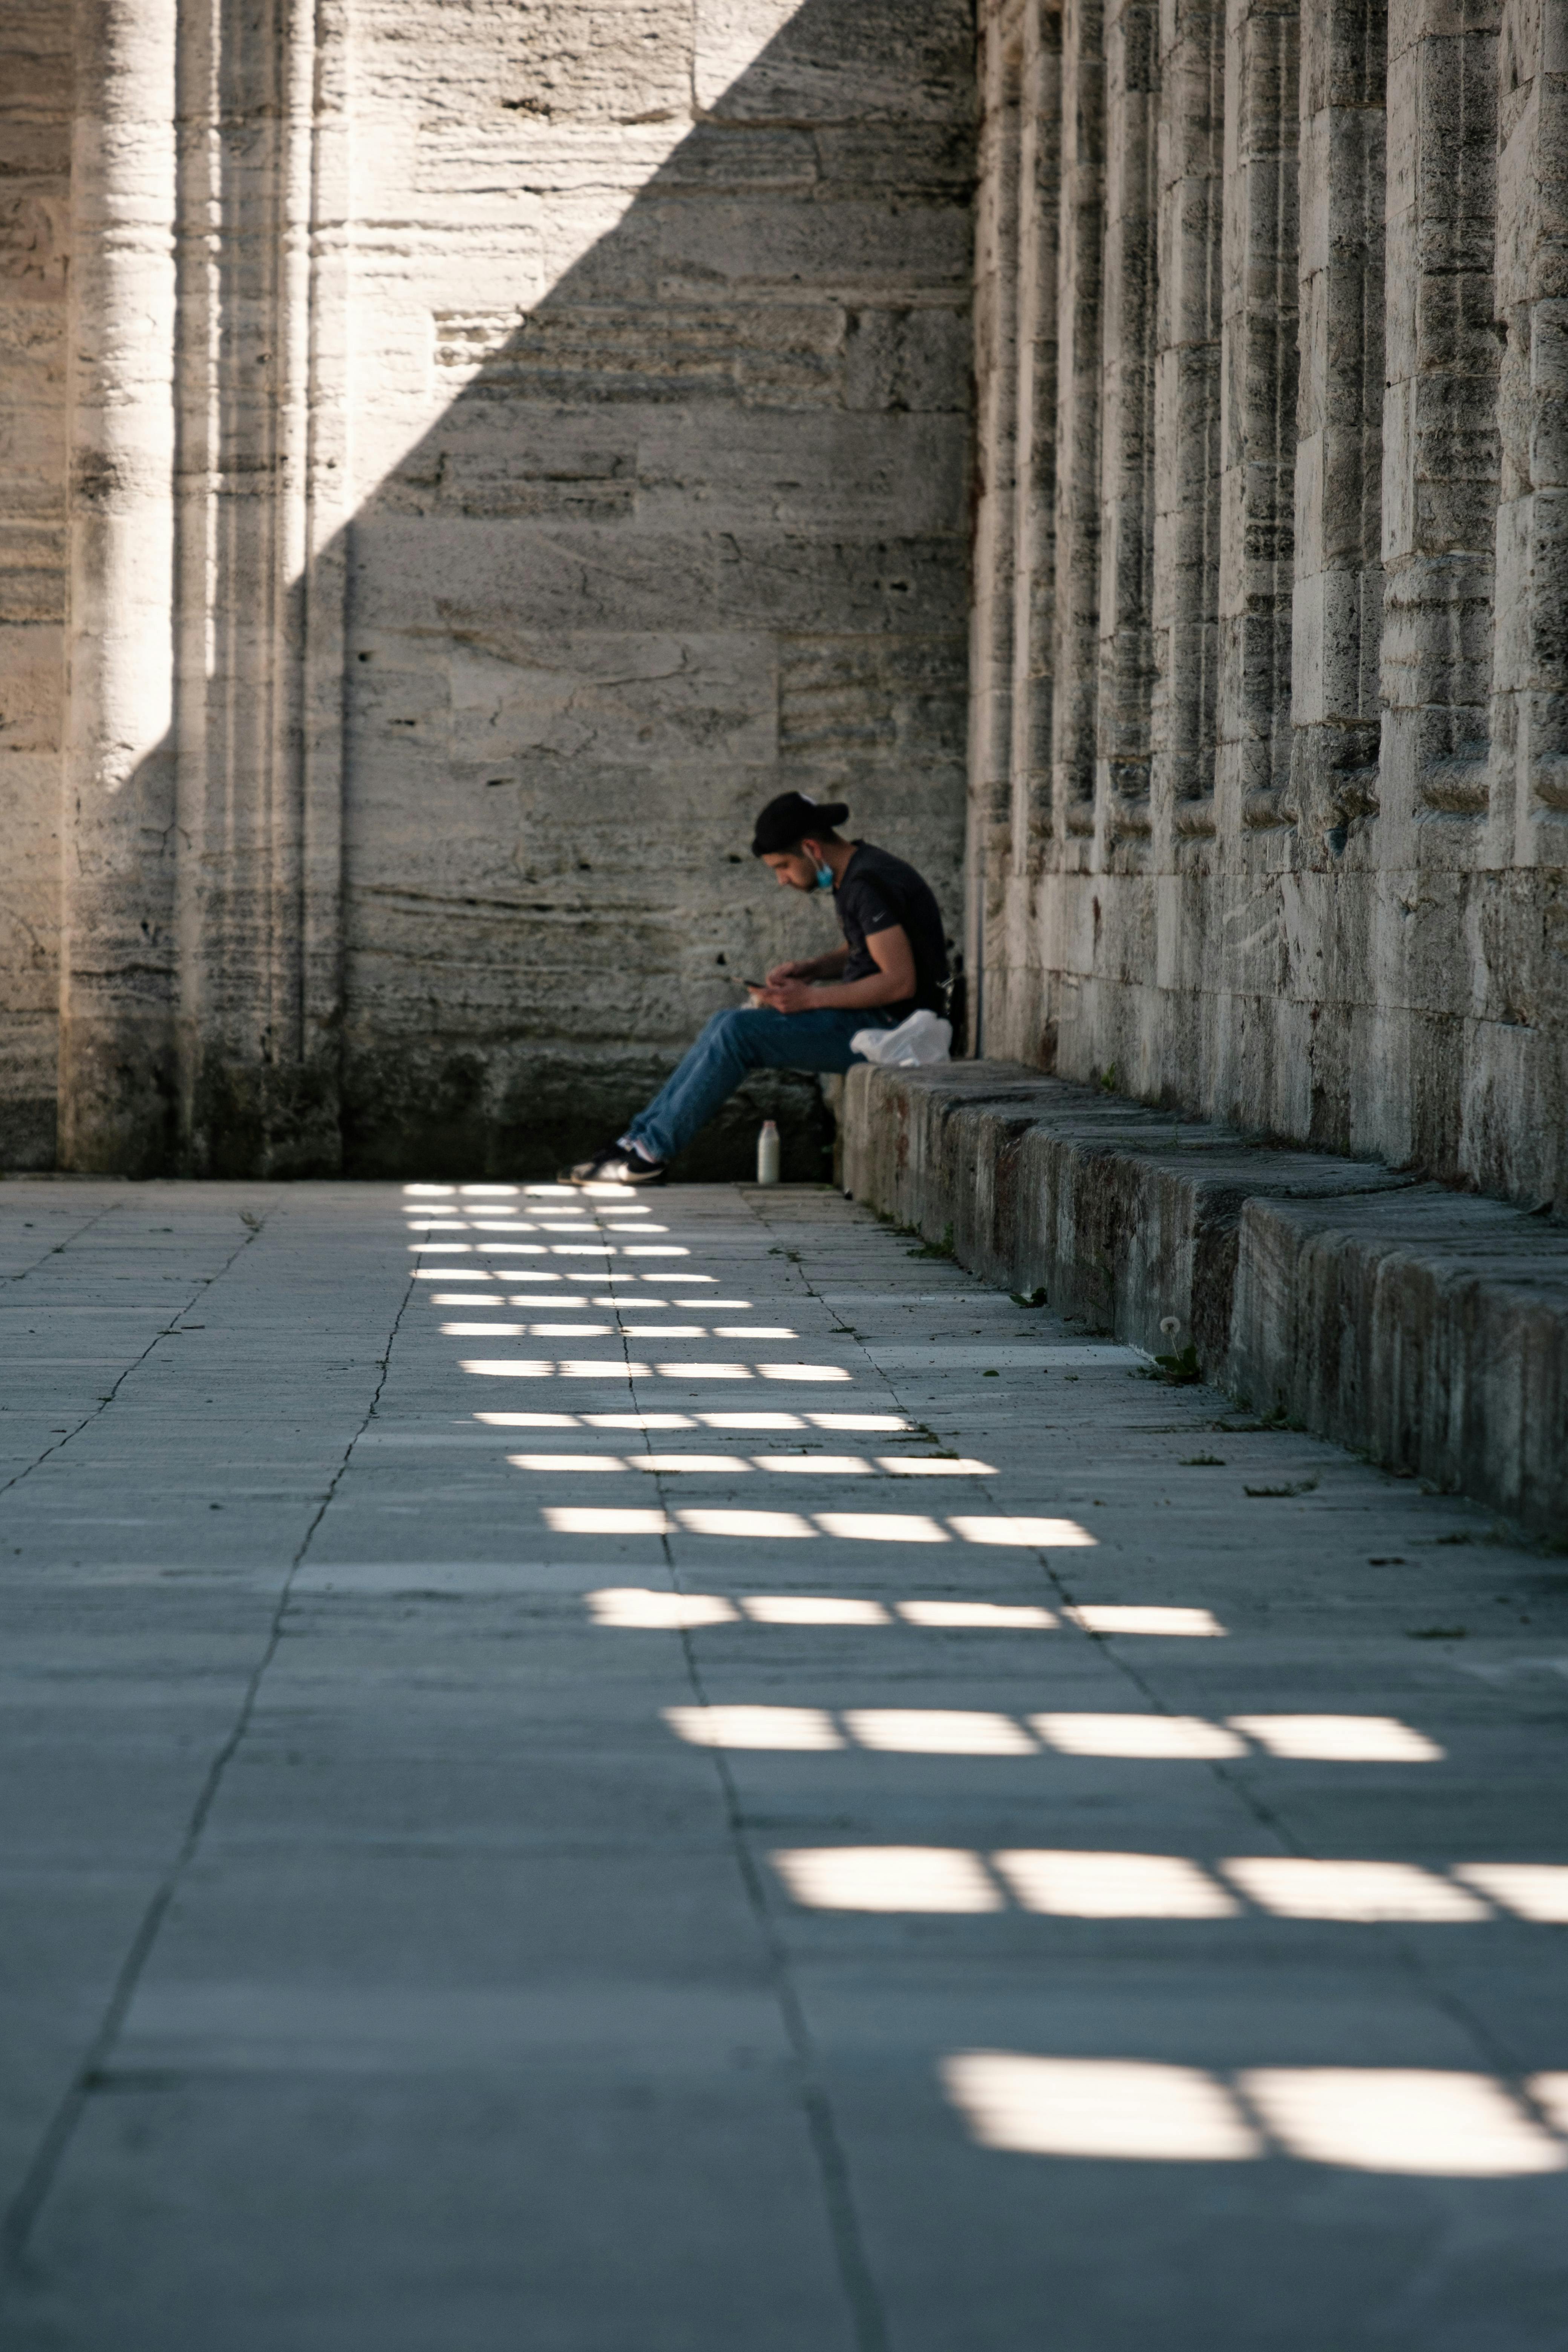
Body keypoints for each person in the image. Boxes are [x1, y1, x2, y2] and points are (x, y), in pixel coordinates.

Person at [564, 791, 949, 1185]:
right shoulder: (857, 873)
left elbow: (900, 982)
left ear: (811, 848)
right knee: (725, 1021)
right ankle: (635, 1142)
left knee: (736, 1035)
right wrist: (812, 969)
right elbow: (868, 949)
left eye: (782, 866)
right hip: (875, 1018)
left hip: (894, 1029)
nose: (781, 879)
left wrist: (808, 999)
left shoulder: (867, 882)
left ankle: (649, 1155)